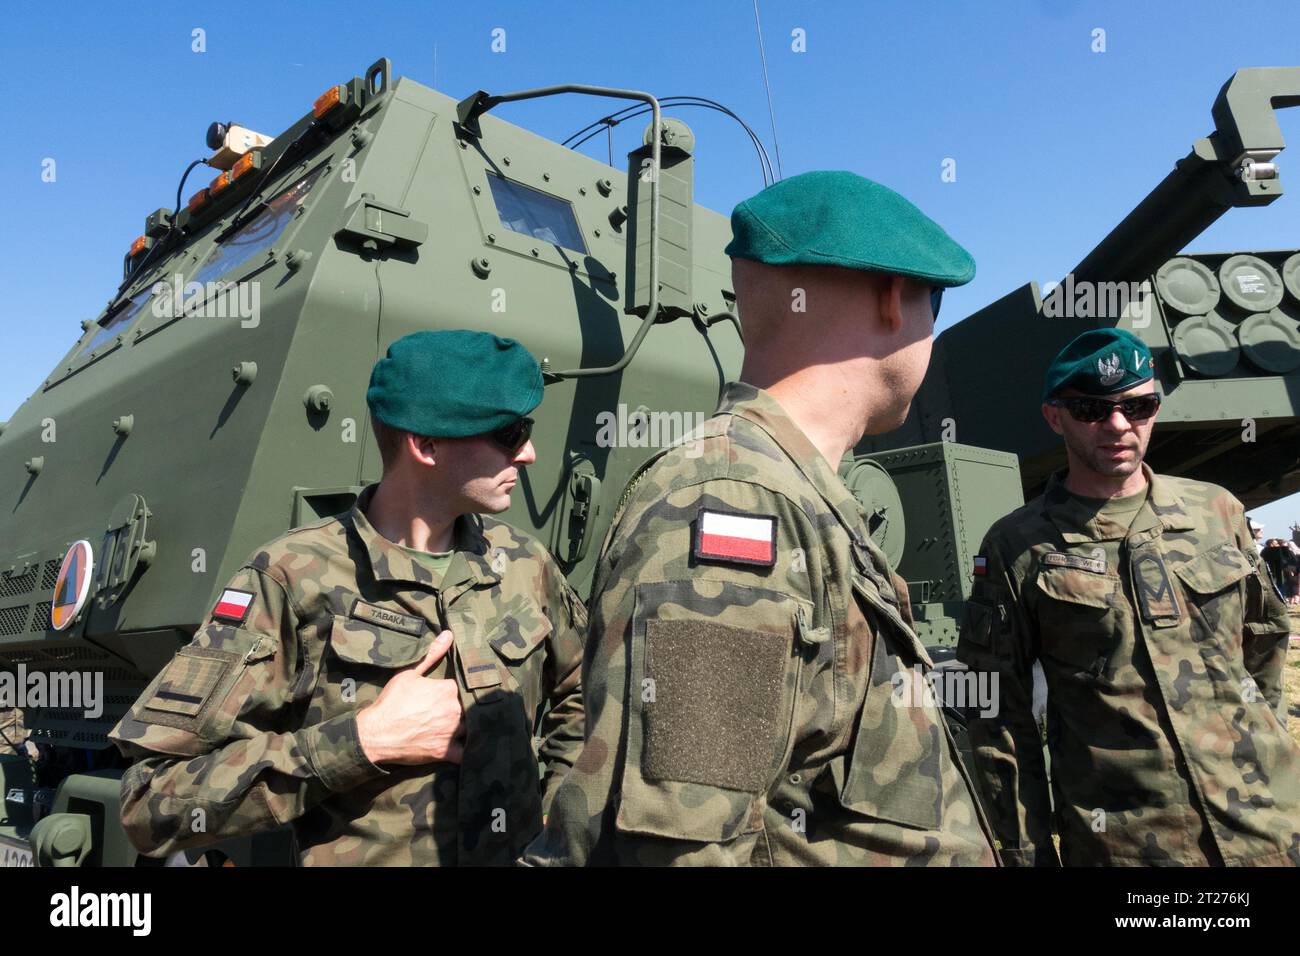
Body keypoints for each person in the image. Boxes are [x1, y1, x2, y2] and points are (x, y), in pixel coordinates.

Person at [524, 170, 997, 866]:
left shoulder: (787, 493)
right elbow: (683, 848)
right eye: (936, 304)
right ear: (895, 299)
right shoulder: (738, 502)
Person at [110, 330, 586, 865]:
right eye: (509, 433)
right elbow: (149, 805)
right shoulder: (289, 579)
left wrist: (555, 819)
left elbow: (582, 695)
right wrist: (363, 742)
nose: (528, 453)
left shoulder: (525, 564)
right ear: (425, 445)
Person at [956, 327, 1299, 866]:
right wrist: (1025, 851)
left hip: (1268, 826)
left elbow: (1264, 641)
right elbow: (998, 714)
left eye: (1137, 406)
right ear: (1054, 417)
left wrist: (1266, 743)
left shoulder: (1217, 512)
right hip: (1134, 848)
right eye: (1091, 409)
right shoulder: (1017, 545)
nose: (1118, 425)